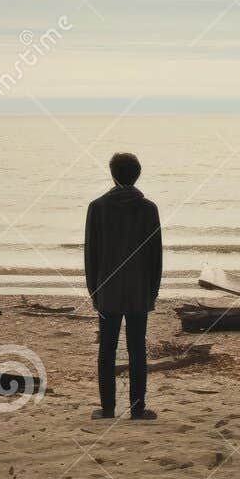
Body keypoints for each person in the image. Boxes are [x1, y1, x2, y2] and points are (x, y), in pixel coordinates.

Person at [83, 152, 163, 419]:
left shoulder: (97, 207)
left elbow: (91, 253)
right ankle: (137, 409)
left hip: (107, 287)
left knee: (106, 349)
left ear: (113, 175)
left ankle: (107, 409)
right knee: (137, 349)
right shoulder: (148, 209)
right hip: (139, 288)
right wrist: (153, 290)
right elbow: (155, 255)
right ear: (137, 175)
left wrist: (93, 289)